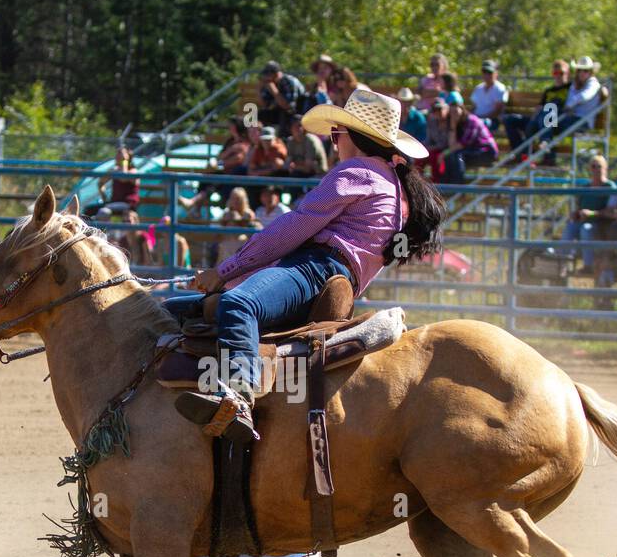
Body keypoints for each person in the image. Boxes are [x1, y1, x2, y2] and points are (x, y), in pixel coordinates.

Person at [163, 89, 444, 443]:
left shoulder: (357, 171)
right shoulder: (393, 185)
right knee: (176, 309)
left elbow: (292, 228)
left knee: (238, 304)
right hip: (332, 274)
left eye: (334, 134)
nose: (332, 142)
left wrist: (225, 271)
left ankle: (239, 396)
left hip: (317, 268)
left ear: (347, 136)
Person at [538, 56, 603, 164]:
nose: (582, 73)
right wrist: (568, 106)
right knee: (548, 114)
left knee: (546, 123)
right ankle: (546, 151)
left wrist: (569, 106)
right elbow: (570, 99)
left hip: (582, 122)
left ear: (590, 72)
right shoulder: (576, 84)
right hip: (569, 120)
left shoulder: (593, 83)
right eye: (579, 70)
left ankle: (546, 146)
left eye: (585, 70)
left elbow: (584, 96)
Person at [561, 154, 617, 273]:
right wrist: (576, 214)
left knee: (586, 230)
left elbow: (612, 212)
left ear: (605, 168)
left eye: (599, 166)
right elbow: (580, 206)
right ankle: (561, 263)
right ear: (590, 169)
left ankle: (588, 266)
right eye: (593, 166)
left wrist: (592, 214)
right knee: (570, 227)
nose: (597, 169)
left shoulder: (610, 186)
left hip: (602, 224)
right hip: (583, 221)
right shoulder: (586, 187)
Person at [503, 59, 570, 153]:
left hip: (556, 121)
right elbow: (538, 108)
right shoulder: (549, 91)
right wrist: (535, 117)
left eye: (561, 73)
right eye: (555, 73)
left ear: (567, 73)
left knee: (551, 107)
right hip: (539, 120)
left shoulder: (571, 89)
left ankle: (545, 143)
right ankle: (520, 154)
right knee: (509, 119)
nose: (558, 76)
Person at [441, 107, 498, 182]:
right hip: (471, 152)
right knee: (450, 156)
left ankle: (457, 185)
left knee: (457, 155)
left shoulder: (472, 120)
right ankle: (447, 185)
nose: (454, 115)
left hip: (487, 152)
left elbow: (464, 143)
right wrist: (453, 125)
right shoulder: (456, 122)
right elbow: (452, 145)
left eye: (456, 112)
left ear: (462, 110)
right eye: (451, 113)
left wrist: (444, 153)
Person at [257, 61, 306, 135]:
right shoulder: (269, 83)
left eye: (269, 74)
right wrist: (259, 91)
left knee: (284, 114)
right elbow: (265, 106)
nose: (267, 77)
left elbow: (288, 106)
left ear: (276, 74)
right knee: (260, 114)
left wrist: (274, 91)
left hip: (298, 112)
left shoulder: (289, 81)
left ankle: (283, 139)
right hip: (280, 112)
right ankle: (262, 139)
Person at [90, 147, 140, 216]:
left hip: (128, 204)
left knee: (102, 211)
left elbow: (123, 178)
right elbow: (100, 183)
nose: (117, 156)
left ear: (128, 157)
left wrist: (124, 162)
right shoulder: (114, 170)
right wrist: (104, 197)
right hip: (114, 203)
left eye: (121, 154)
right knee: (89, 210)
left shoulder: (133, 171)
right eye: (117, 154)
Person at [284, 114, 328, 180]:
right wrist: (295, 165)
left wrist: (295, 165)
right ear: (290, 128)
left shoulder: (310, 140)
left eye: (300, 125)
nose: (298, 128)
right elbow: (287, 165)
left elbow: (308, 168)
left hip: (318, 176)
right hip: (300, 174)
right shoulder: (291, 141)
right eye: (294, 125)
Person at [468, 60, 509, 131]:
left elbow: (497, 111)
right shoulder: (478, 88)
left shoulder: (500, 89)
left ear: (496, 73)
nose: (486, 75)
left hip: (491, 121)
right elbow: (474, 107)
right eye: (484, 71)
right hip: (476, 120)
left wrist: (480, 118)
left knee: (478, 125)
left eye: (489, 72)